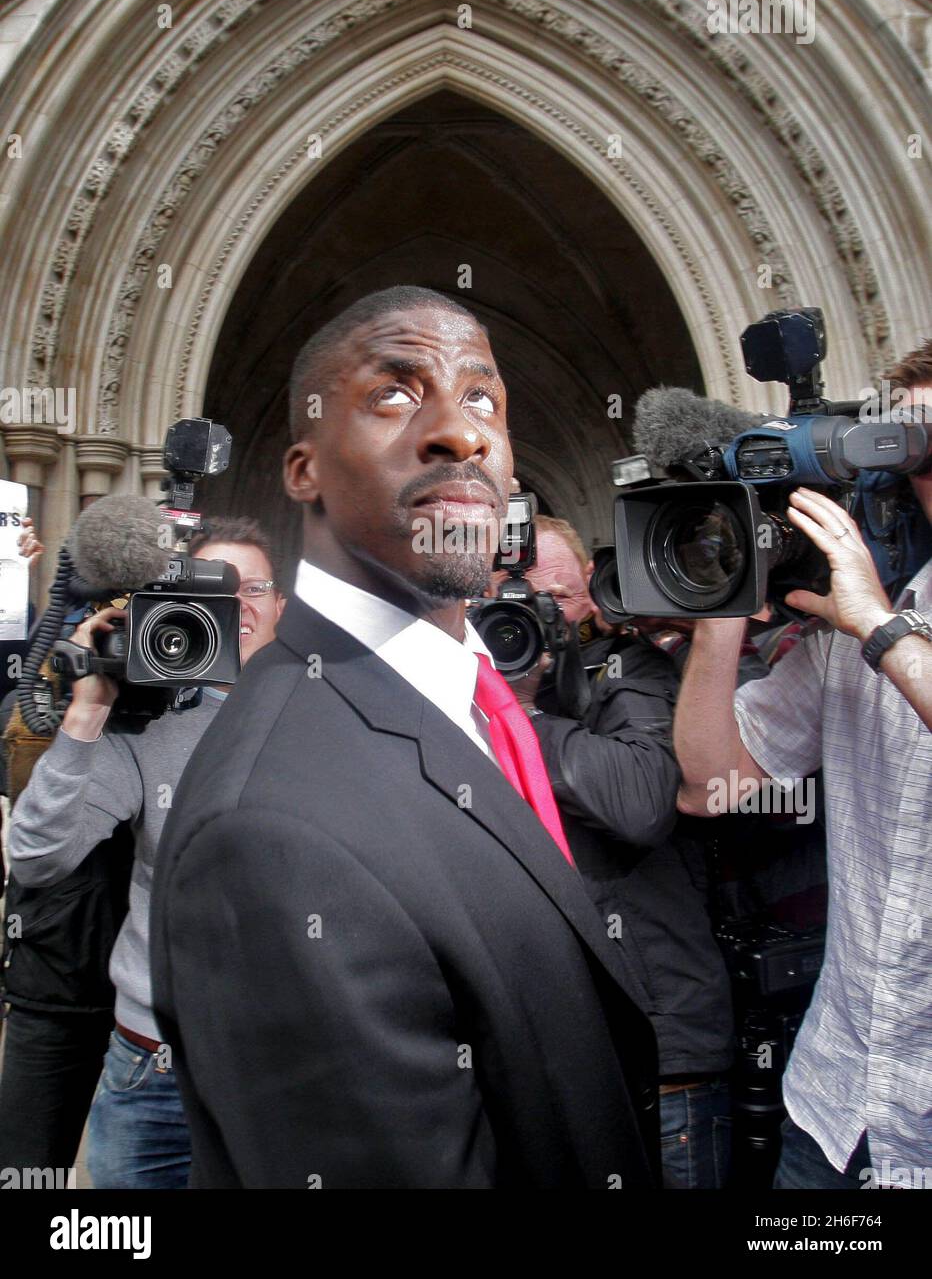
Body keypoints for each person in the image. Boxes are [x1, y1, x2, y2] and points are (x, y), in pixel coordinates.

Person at [150, 285, 660, 1189]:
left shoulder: (472, 703)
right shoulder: (265, 835)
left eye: (482, 399)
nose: (459, 433)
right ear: (302, 469)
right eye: (395, 392)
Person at [674, 342, 932, 1189]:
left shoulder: (872, 623)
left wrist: (881, 632)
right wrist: (722, 607)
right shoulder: (858, 619)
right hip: (835, 1112)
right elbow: (713, 786)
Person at [4, 517, 284, 1188]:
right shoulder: (148, 728)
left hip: (277, 1072)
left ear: (282, 605)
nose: (235, 605)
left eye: (251, 588)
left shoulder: (328, 715)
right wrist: (87, 702)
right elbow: (37, 853)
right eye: (213, 588)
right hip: (147, 1067)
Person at [501, 515, 735, 1188]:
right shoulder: (459, 696)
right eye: (512, 595)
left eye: (558, 597)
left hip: (662, 1059)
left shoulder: (632, 669)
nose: (538, 615)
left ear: (594, 603)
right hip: (548, 1066)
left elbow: (638, 801)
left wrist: (519, 712)